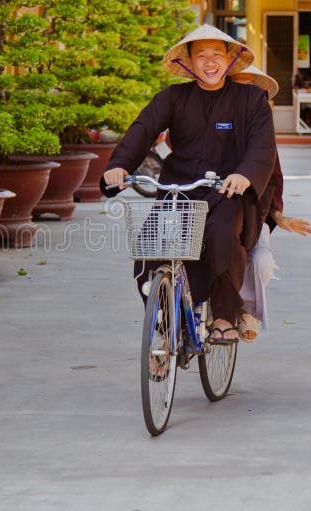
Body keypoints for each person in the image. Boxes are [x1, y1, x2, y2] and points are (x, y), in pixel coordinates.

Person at [101, 25, 276, 343]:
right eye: (202, 56)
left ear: (229, 58)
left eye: (217, 54)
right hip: (177, 192)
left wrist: (245, 174)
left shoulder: (251, 99)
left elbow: (263, 147)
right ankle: (165, 335)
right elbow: (142, 129)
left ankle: (223, 316)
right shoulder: (172, 97)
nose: (210, 62)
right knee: (149, 257)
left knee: (222, 236)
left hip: (226, 192)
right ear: (189, 63)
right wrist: (118, 167)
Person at [229, 65, 311, 342]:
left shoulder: (262, 133)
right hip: (211, 207)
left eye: (250, 88)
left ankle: (246, 310)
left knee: (260, 261)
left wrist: (278, 216)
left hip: (253, 214)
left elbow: (273, 180)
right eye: (236, 85)